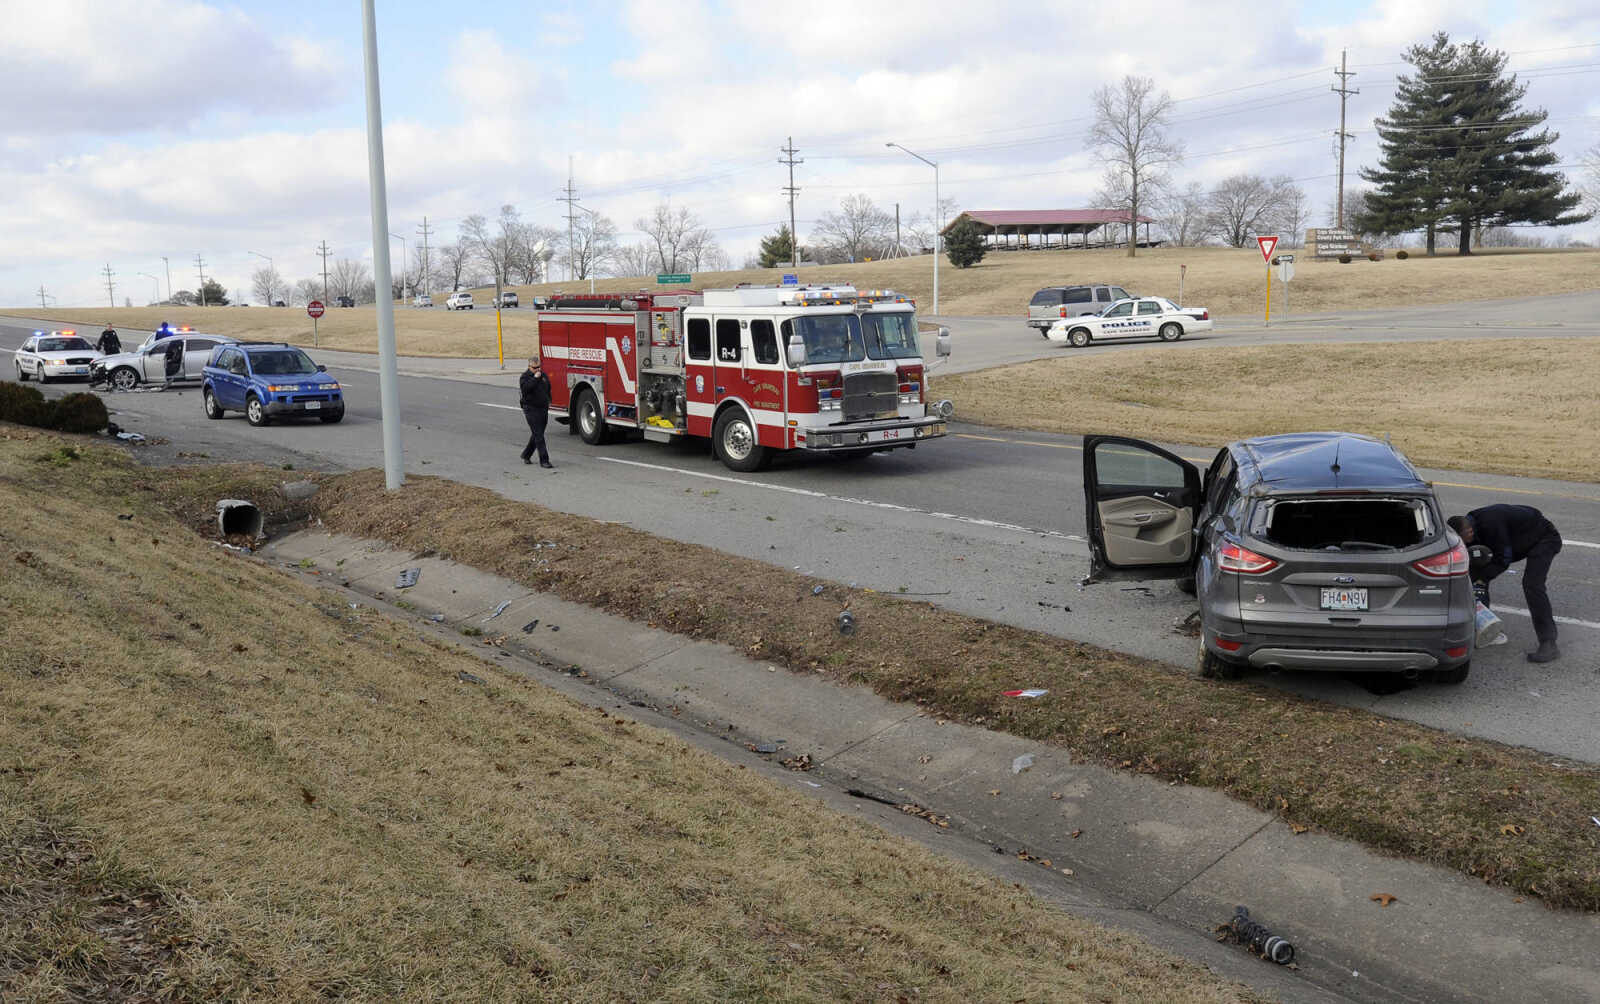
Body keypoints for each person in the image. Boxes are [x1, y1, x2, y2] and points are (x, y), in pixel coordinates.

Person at [1448, 506, 1562, 663]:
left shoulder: (1491, 525)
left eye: (1462, 540)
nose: (1462, 544)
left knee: (1532, 585)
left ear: (1469, 531)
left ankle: (1548, 642)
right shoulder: (1468, 523)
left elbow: (1503, 559)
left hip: (1544, 539)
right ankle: (1482, 627)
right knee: (1477, 569)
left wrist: (1481, 579)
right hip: (1518, 538)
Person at [518, 356, 553, 468]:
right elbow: (526, 389)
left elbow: (548, 387)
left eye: (539, 367)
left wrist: (548, 400)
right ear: (529, 367)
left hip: (543, 408)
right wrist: (535, 378)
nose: (538, 370)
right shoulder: (525, 377)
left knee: (538, 433)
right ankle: (544, 460)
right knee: (539, 435)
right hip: (530, 408)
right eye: (535, 368)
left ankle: (526, 454)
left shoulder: (543, 375)